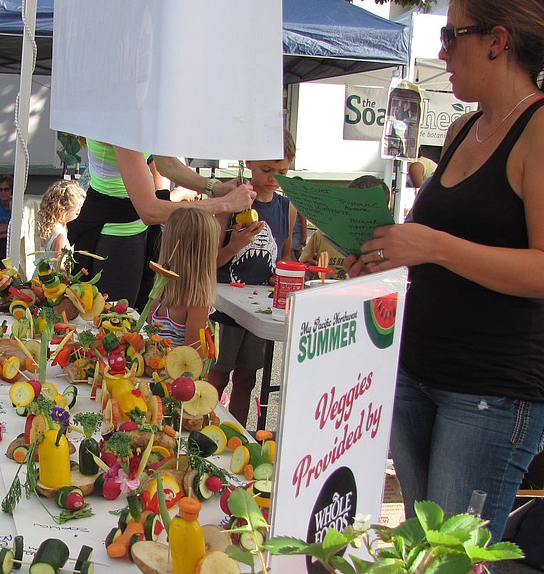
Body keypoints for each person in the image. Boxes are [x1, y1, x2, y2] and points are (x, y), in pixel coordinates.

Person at [344, 0, 544, 543]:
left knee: (449, 570)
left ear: (497, 40)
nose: (440, 52)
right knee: (424, 554)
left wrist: (433, 246)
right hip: (419, 370)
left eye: (450, 35)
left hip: (490, 389)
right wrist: (386, 256)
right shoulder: (467, 125)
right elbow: (429, 243)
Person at [66, 141, 254, 309]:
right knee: (114, 329)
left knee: (136, 324)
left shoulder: (141, 113)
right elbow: (150, 210)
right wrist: (225, 204)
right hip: (113, 239)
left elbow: (168, 164)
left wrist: (215, 188)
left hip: (137, 233)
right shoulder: (121, 116)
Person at [207, 130, 298, 425]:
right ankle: (203, 431)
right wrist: (236, 245)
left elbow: (284, 259)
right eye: (267, 170)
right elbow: (210, 260)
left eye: (282, 172)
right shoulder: (232, 202)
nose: (273, 179)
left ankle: (236, 435)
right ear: (249, 162)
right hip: (224, 307)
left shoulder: (287, 208)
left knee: (247, 378)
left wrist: (281, 275)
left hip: (260, 307)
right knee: (217, 377)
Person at [149, 206, 219, 347]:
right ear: (207, 254)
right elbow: (193, 358)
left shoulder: (159, 293)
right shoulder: (198, 302)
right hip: (176, 368)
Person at [301, 175, 389, 280]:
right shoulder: (322, 235)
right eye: (353, 209)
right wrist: (308, 270)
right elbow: (302, 268)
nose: (359, 218)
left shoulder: (387, 244)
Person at [36, 179, 85, 256]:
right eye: (77, 212)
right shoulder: (61, 236)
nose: (79, 215)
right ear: (62, 211)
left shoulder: (50, 228)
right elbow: (59, 265)